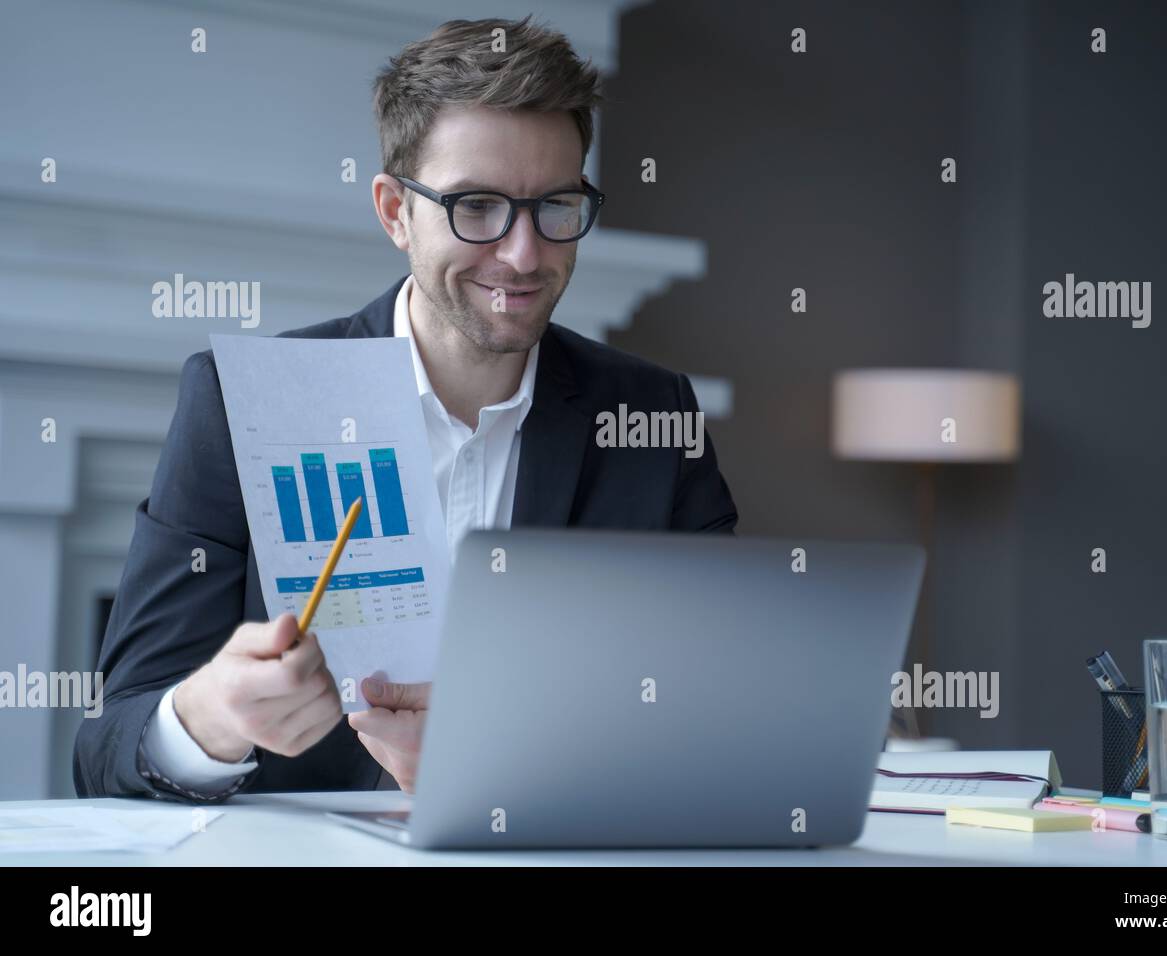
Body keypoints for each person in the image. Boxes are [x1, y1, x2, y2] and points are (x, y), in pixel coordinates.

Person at [74, 15, 737, 802]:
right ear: (395, 212)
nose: (524, 255)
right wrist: (211, 717)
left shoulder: (651, 416)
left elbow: (724, 707)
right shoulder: (239, 401)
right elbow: (106, 748)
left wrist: (499, 760)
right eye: (477, 207)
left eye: (556, 206)